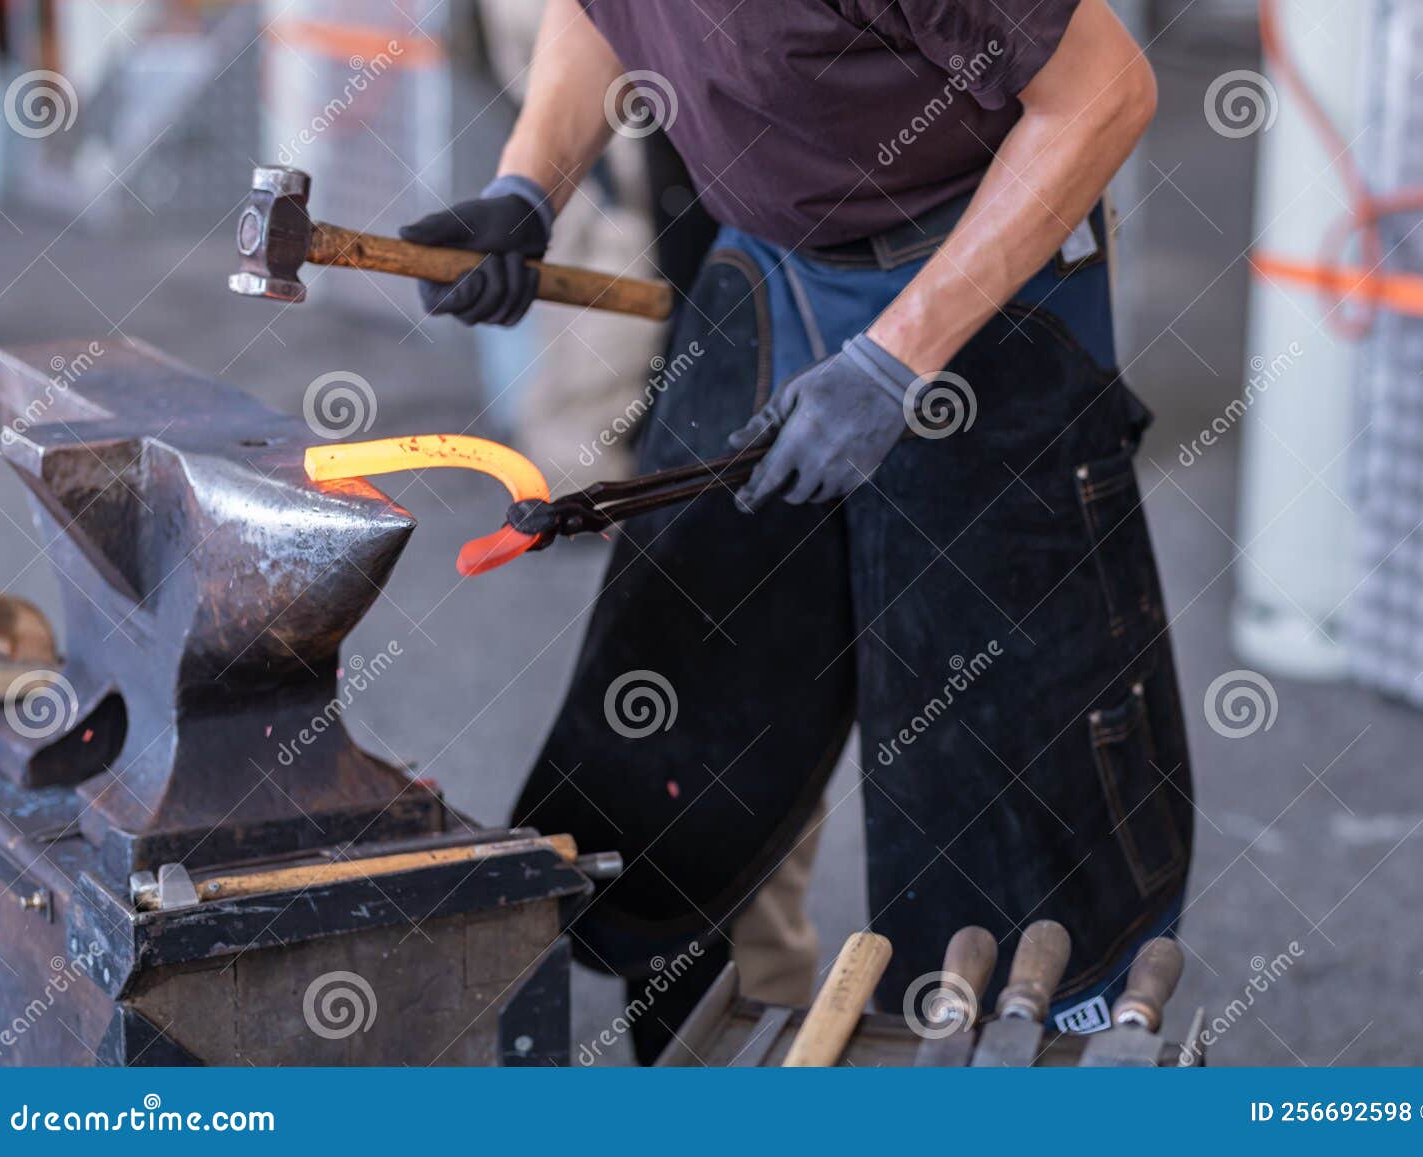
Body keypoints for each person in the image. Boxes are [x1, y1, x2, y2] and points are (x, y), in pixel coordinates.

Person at [403, 0, 1191, 1063]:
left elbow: (1105, 93)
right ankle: (714, 1050)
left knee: (996, 781)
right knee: (680, 713)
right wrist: (527, 185)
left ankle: (987, 1065)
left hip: (982, 275)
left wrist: (896, 356)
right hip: (768, 269)